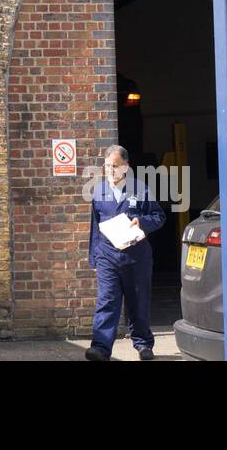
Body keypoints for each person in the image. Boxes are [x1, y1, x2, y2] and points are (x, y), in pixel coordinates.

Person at [86, 144, 166, 361]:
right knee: (107, 301)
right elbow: (95, 227)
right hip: (107, 256)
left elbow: (159, 217)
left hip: (136, 257)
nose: (110, 170)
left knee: (138, 301)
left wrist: (143, 222)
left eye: (115, 166)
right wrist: (94, 258)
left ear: (126, 167)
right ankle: (101, 347)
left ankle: (143, 344)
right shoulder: (99, 193)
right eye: (107, 166)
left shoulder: (140, 189)